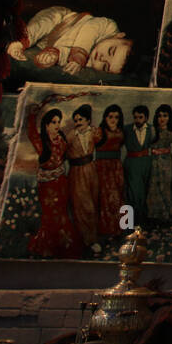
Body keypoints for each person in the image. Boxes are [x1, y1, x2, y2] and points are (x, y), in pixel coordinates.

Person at [7, 6, 134, 77]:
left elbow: (67, 55)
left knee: (53, 57)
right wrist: (79, 56)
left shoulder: (89, 62)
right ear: (119, 36)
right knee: (43, 24)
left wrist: (55, 57)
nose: (101, 58)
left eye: (105, 66)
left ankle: (50, 54)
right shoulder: (108, 26)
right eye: (111, 51)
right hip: (62, 21)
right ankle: (20, 42)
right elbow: (89, 30)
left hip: (49, 44)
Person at [27, 107, 83, 259]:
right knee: (50, 215)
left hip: (61, 182)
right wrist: (33, 113)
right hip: (47, 185)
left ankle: (65, 245)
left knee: (63, 213)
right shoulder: (41, 142)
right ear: (46, 125)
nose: (57, 125)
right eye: (53, 122)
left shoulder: (62, 138)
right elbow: (31, 131)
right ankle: (49, 246)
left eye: (58, 122)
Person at [65, 104, 101, 255]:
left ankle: (92, 238)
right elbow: (62, 152)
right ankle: (87, 240)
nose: (78, 122)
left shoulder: (93, 132)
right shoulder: (71, 136)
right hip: (76, 172)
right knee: (82, 206)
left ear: (87, 120)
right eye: (76, 120)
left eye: (81, 119)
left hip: (91, 170)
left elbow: (102, 139)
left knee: (93, 203)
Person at [93, 104, 126, 240]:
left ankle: (119, 229)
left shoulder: (120, 131)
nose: (113, 120)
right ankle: (106, 230)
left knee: (119, 196)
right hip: (102, 168)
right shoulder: (99, 132)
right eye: (110, 117)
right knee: (106, 198)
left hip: (116, 167)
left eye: (116, 117)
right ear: (105, 117)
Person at [146, 105, 172, 224]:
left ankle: (168, 213)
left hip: (167, 161)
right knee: (154, 186)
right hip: (154, 161)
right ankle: (155, 215)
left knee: (166, 186)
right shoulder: (152, 130)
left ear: (169, 117)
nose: (162, 118)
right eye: (159, 116)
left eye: (165, 116)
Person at [122, 105, 154, 227]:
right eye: (135, 117)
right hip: (132, 162)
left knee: (145, 193)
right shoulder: (127, 129)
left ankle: (143, 222)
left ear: (146, 117)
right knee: (134, 193)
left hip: (146, 162)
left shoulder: (151, 129)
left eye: (140, 117)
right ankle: (130, 223)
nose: (137, 120)